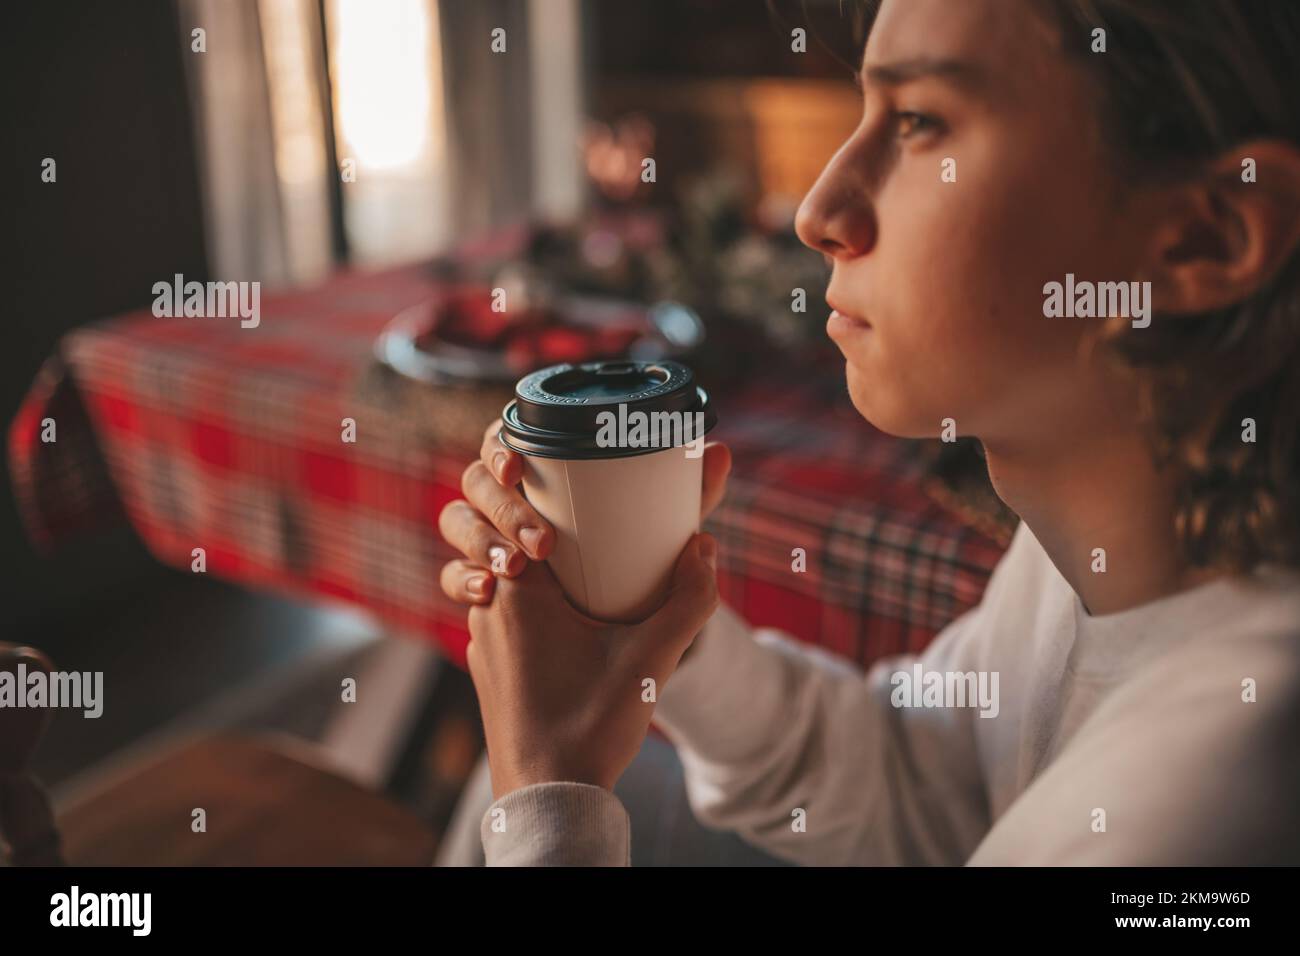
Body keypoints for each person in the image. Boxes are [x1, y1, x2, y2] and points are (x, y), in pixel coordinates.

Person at [435, 0, 1300, 865]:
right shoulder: (1101, 555)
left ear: (1203, 239)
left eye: (921, 121)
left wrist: (549, 808)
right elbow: (921, 785)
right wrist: (651, 619)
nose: (817, 210)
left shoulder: (1207, 814)